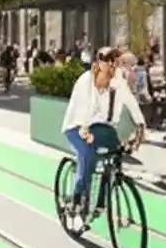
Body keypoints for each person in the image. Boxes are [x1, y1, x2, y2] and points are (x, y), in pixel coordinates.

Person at [60, 47, 146, 217]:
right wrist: (85, 131)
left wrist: (141, 125)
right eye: (109, 62)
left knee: (116, 153)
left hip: (102, 126)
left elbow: (130, 101)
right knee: (87, 153)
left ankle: (101, 201)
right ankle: (77, 201)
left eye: (116, 63)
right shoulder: (86, 81)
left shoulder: (118, 80)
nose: (114, 66)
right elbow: (83, 108)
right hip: (76, 126)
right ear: (100, 63)